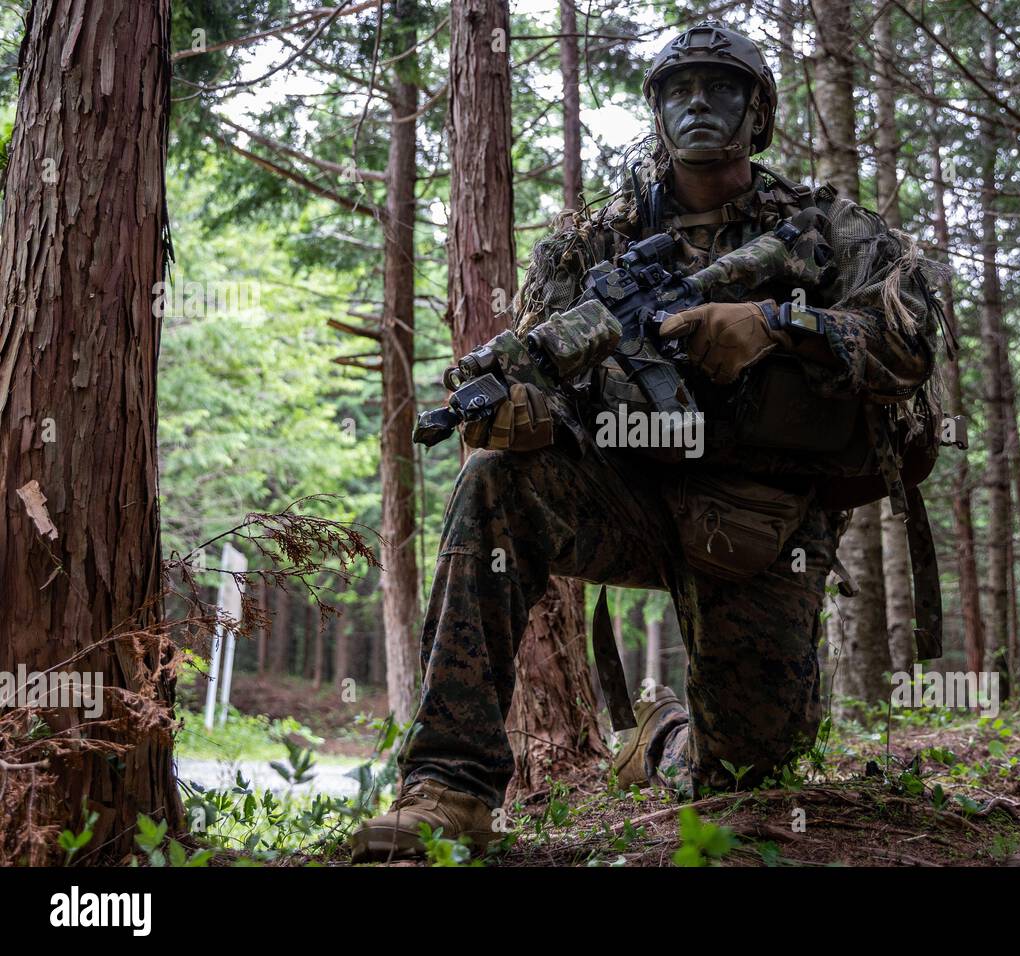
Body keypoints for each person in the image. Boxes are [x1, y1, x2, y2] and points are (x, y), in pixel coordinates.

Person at [350, 20, 943, 862]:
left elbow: (911, 343)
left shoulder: (828, 227)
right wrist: (520, 414)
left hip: (765, 527)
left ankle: (662, 736)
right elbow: (543, 370)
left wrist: (779, 325)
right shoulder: (594, 242)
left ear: (759, 114)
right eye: (678, 91)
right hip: (624, 498)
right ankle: (450, 786)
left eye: (723, 88)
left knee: (747, 781)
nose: (699, 104)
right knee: (494, 478)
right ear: (655, 113)